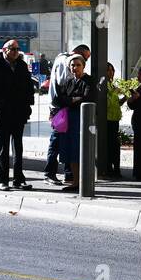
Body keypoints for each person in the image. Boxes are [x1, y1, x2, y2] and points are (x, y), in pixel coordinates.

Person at [0, 40, 37, 191]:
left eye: (17, 49)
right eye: (12, 49)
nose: (15, 51)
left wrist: (28, 106)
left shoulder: (22, 65)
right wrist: (1, 104)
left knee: (18, 147)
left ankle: (19, 179)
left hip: (19, 113)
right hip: (2, 114)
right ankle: (2, 180)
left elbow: (28, 88)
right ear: (4, 50)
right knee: (2, 148)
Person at [51, 54, 98, 193]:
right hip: (68, 122)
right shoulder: (68, 82)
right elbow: (58, 99)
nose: (75, 67)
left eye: (78, 65)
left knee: (80, 150)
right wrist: (73, 99)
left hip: (82, 120)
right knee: (70, 151)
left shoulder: (89, 81)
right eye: (72, 65)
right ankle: (75, 181)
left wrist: (70, 100)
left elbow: (88, 98)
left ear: (83, 66)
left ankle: (83, 182)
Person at [45, 44, 90, 185]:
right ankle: (50, 173)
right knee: (58, 141)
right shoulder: (65, 62)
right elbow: (63, 89)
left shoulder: (82, 78)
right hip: (59, 110)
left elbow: (86, 96)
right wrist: (72, 99)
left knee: (67, 142)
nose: (77, 67)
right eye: (85, 58)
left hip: (62, 109)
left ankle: (69, 175)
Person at [99, 63, 124, 179]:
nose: (111, 73)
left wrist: (125, 98)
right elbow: (106, 102)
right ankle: (109, 167)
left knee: (115, 144)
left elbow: (115, 103)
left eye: (112, 70)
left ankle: (116, 168)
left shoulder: (111, 85)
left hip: (114, 119)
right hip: (107, 119)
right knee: (109, 144)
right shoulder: (105, 85)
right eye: (108, 70)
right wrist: (115, 92)